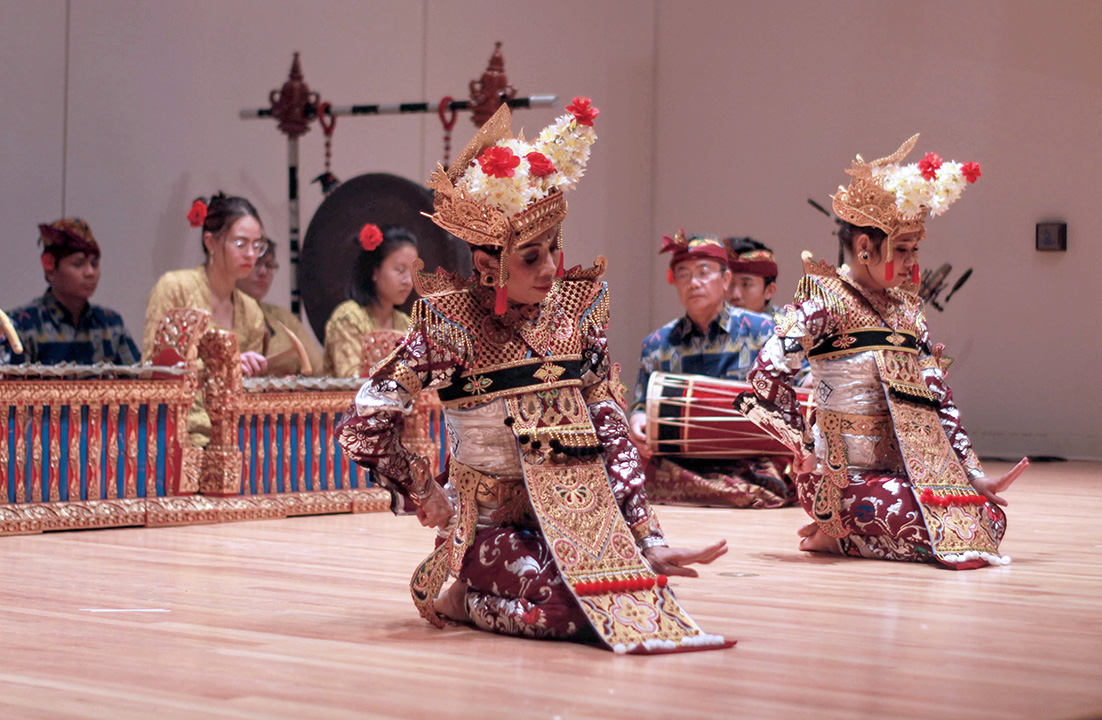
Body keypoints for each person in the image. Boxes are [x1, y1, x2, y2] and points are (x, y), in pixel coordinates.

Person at [337, 99, 730, 654]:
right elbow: (365, 420)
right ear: (487, 264)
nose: (549, 269)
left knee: (630, 592)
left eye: (553, 250)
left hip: (578, 520)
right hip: (488, 525)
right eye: (530, 257)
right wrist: (425, 491)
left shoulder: (576, 311)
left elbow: (611, 426)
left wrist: (647, 536)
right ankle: (462, 598)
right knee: (571, 610)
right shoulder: (452, 326)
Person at [739, 134, 1021, 569]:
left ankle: (849, 535)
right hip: (839, 475)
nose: (912, 263)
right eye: (902, 250)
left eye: (915, 250)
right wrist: (803, 446)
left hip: (908, 469)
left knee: (988, 522)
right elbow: (764, 377)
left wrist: (972, 473)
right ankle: (839, 538)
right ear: (866, 248)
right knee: (932, 532)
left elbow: (938, 399)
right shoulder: (823, 302)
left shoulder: (909, 310)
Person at [628, 231, 791, 508]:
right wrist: (638, 421)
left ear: (725, 280)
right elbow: (642, 405)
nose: (693, 283)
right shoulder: (657, 344)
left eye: (703, 273)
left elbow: (804, 383)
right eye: (683, 275)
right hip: (681, 463)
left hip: (747, 461)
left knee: (768, 479)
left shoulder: (765, 331)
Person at [143, 193, 270, 446]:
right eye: (240, 243)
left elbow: (245, 391)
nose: (251, 254)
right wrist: (226, 366)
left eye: (257, 245)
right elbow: (154, 370)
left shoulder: (251, 310)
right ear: (211, 242)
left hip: (233, 437)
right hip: (177, 435)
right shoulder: (175, 288)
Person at [1, 218, 139, 365]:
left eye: (94, 263)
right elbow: (10, 385)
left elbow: (139, 382)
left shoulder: (111, 324)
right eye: (78, 264)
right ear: (51, 271)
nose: (90, 272)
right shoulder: (22, 325)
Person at [323, 224, 418, 377]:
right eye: (400, 270)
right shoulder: (349, 318)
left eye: (413, 272)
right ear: (375, 271)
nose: (409, 281)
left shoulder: (406, 323)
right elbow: (350, 379)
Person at [236, 239, 324, 377]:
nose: (263, 272)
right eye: (257, 264)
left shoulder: (282, 317)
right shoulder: (225, 314)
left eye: (269, 265)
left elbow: (318, 369)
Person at [724, 237, 780, 316]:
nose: (735, 295)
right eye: (730, 284)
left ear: (769, 290)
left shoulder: (786, 326)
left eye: (746, 284)